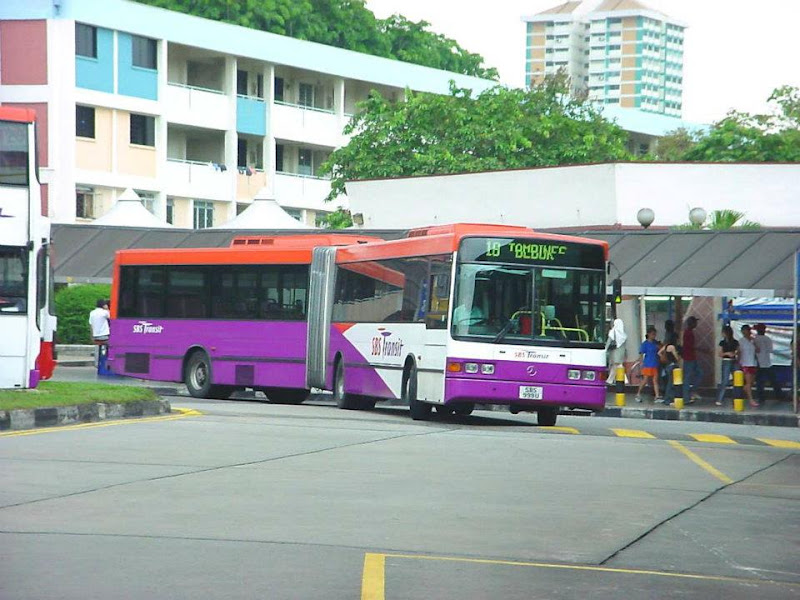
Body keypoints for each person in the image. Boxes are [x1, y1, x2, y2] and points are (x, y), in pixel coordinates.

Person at [753, 323, 785, 404]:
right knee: (773, 381)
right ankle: (780, 396)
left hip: (758, 363)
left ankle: (761, 397)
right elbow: (770, 350)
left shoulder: (754, 339)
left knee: (759, 382)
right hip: (767, 362)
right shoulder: (767, 339)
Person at [635, 326, 661, 402]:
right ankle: (638, 393)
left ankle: (657, 396)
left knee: (655, 380)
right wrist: (640, 362)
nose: (654, 336)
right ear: (649, 334)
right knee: (645, 380)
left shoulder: (655, 343)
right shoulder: (645, 344)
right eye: (653, 334)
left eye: (655, 334)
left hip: (655, 363)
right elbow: (641, 354)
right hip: (648, 364)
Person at [715, 325, 739, 406]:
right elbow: (720, 354)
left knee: (736, 380)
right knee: (725, 380)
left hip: (733, 361)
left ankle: (736, 398)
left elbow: (738, 351)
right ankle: (719, 399)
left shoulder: (735, 342)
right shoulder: (723, 343)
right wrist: (728, 353)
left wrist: (735, 354)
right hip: (726, 360)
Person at [682, 316, 702, 404]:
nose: (696, 324)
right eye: (695, 322)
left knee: (699, 373)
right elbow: (689, 346)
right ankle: (686, 397)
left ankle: (692, 391)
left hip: (692, 357)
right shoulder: (688, 333)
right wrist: (702, 350)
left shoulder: (690, 332)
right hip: (688, 358)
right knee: (687, 378)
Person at [658, 334, 682, 405]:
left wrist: (664, 358)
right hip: (673, 366)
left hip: (667, 366)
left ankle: (668, 399)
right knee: (671, 384)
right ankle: (668, 399)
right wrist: (678, 357)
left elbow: (659, 353)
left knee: (669, 383)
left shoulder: (666, 346)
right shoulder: (672, 347)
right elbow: (676, 358)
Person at [738, 324, 758, 408]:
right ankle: (751, 399)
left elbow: (757, 350)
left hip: (753, 363)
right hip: (745, 363)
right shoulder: (741, 341)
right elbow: (739, 352)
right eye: (746, 330)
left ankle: (742, 392)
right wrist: (738, 362)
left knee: (751, 382)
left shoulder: (752, 340)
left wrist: (754, 342)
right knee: (749, 382)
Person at [88, 299, 110, 367]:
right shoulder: (105, 312)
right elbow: (112, 318)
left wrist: (92, 336)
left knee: (97, 347)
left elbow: (90, 325)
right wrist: (107, 309)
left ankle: (96, 363)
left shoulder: (92, 313)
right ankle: (107, 361)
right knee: (113, 344)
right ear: (103, 305)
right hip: (104, 336)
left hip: (95, 336)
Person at [605, 318, 627, 385]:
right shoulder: (623, 334)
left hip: (615, 351)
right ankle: (625, 380)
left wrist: (605, 349)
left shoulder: (612, 332)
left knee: (615, 365)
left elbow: (609, 341)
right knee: (619, 365)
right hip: (621, 352)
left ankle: (610, 380)